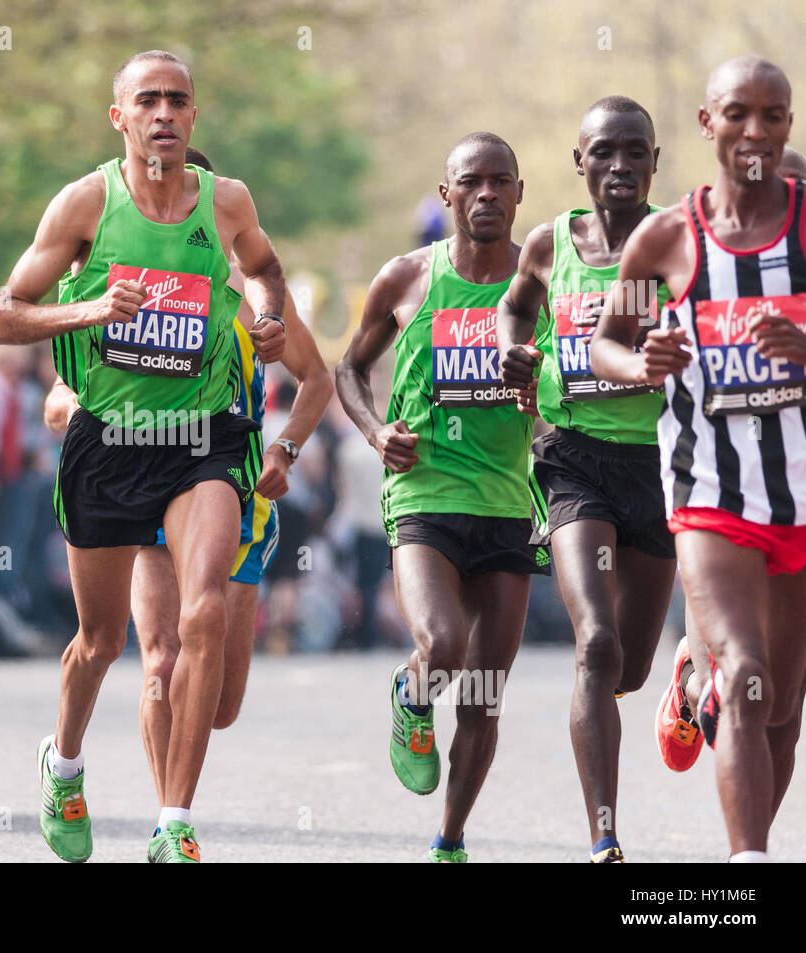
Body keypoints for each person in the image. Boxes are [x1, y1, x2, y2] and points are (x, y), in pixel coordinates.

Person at [0, 50, 287, 863]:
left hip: (202, 441)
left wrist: (265, 312)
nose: (163, 113)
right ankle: (66, 762)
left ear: (194, 117)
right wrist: (88, 308)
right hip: (109, 443)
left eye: (177, 101)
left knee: (201, 614)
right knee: (101, 641)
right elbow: (3, 317)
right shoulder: (86, 203)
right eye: (147, 100)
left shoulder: (227, 202)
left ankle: (174, 822)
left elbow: (264, 270)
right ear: (119, 117)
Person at [43, 146, 332, 831]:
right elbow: (61, 395)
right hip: (146, 489)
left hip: (235, 499)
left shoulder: (248, 307)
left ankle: (170, 801)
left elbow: (317, 380)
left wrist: (286, 449)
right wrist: (84, 411)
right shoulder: (124, 295)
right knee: (161, 659)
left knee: (221, 700)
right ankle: (169, 821)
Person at [592, 56, 806, 863]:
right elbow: (608, 343)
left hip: (799, 492)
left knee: (781, 703)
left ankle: (696, 679)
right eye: (738, 113)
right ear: (706, 122)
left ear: (788, 124)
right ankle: (747, 866)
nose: (755, 132)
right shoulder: (670, 238)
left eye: (774, 115)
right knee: (748, 673)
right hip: (708, 490)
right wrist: (642, 362)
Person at [336, 132, 547, 863]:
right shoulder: (406, 278)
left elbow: (573, 387)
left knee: (486, 694)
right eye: (472, 182)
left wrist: (542, 399)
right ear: (446, 194)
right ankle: (411, 692)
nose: (487, 193)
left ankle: (450, 840)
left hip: (508, 501)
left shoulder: (543, 285)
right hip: (424, 489)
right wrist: (373, 432)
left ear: (520, 194)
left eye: (501, 181)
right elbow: (350, 367)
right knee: (445, 644)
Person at [496, 97, 673, 863]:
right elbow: (514, 309)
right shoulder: (549, 242)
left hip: (664, 466)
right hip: (574, 462)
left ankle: (674, 678)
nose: (620, 167)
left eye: (636, 153)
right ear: (579, 164)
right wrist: (517, 353)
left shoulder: (677, 242)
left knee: (631, 663)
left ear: (655, 162)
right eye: (604, 152)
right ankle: (603, 837)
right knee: (595, 644)